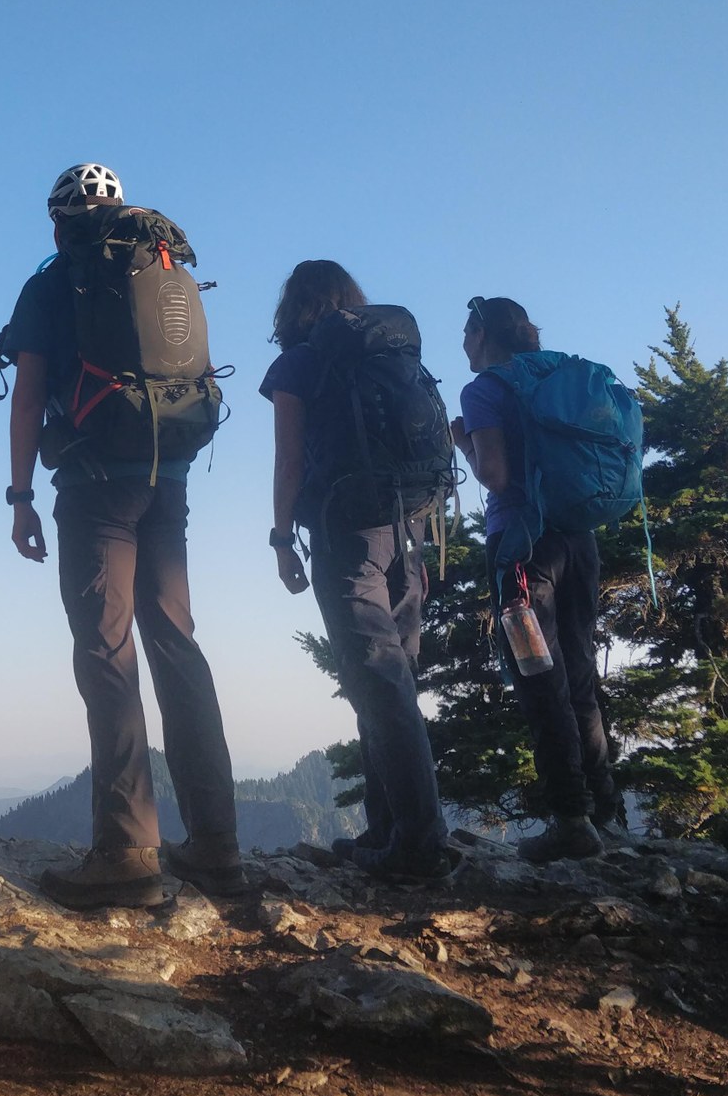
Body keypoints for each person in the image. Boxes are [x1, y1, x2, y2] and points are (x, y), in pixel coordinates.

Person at [2, 163, 241, 909]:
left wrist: (20, 495)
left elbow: (31, 393)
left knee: (107, 652)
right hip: (167, 480)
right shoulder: (163, 267)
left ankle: (126, 852)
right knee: (176, 642)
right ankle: (216, 845)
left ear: (57, 222)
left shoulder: (54, 282)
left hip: (93, 483)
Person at [263, 261, 452, 882]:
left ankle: (419, 844)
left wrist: (282, 536)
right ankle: (389, 826)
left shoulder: (298, 363)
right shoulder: (386, 353)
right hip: (411, 526)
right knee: (391, 674)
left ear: (294, 305)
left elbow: (289, 459)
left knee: (376, 677)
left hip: (347, 532)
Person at [453, 295, 615, 861]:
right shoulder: (559, 374)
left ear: (481, 334)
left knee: (536, 674)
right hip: (579, 540)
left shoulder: (485, 389)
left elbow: (495, 475)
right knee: (577, 672)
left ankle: (571, 819)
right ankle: (604, 810)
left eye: (466, 333)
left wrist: (464, 441)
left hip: (523, 553)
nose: (464, 346)